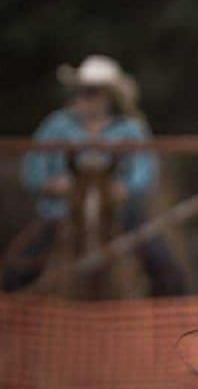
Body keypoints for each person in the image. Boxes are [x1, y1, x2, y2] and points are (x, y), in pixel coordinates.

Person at [4, 54, 185, 295]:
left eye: (92, 92)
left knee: (166, 270)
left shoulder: (130, 129)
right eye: (80, 91)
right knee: (16, 271)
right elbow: (32, 169)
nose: (83, 97)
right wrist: (51, 185)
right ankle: (13, 318)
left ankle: (168, 318)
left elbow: (145, 170)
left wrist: (125, 189)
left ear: (108, 96)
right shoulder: (56, 125)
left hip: (119, 214)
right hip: (63, 213)